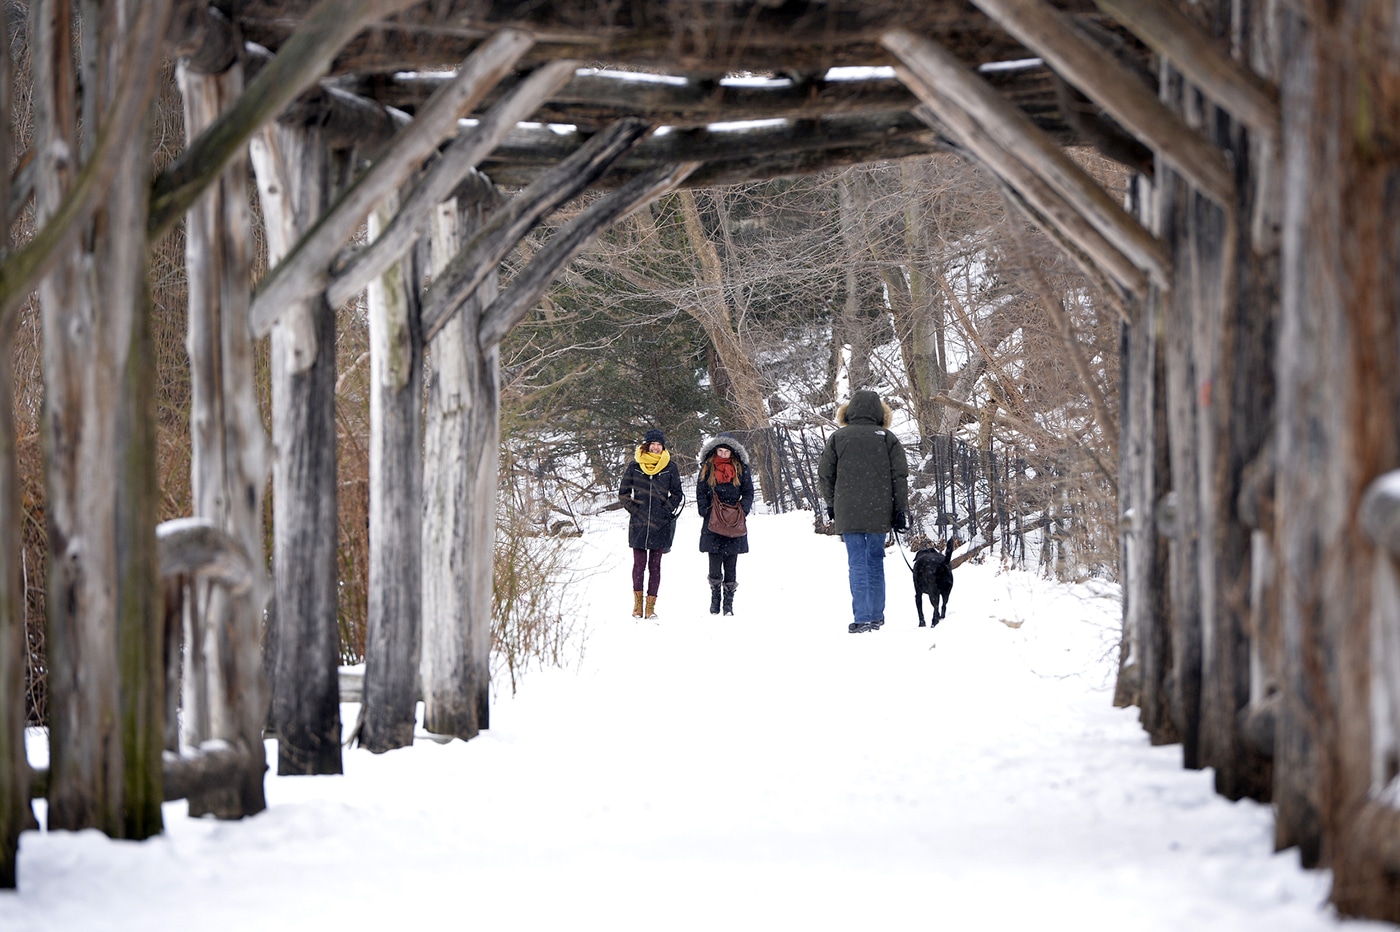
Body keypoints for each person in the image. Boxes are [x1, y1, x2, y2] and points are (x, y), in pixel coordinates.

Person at [818, 389, 910, 633]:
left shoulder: (838, 437)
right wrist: (900, 509)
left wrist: (831, 503)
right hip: (880, 509)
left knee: (856, 562)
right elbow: (899, 476)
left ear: (849, 412)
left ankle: (862, 617)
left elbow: (826, 474)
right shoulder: (887, 438)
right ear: (880, 414)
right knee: (875, 560)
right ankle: (877, 616)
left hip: (847, 509)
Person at [619, 428, 684, 618]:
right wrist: (635, 510)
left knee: (655, 567)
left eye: (659, 444)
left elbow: (678, 494)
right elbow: (623, 494)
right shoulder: (635, 466)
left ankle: (651, 607)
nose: (656, 447)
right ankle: (637, 605)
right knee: (639, 566)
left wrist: (665, 511)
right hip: (638, 525)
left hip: (660, 524)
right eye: (653, 444)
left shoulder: (669, 467)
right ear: (646, 445)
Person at [696, 433, 755, 616]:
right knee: (714, 561)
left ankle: (728, 603)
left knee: (731, 561)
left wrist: (742, 511)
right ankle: (715, 598)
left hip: (733, 520)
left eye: (726, 451)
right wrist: (705, 510)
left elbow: (748, 492)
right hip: (712, 519)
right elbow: (700, 491)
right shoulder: (708, 467)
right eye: (720, 451)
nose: (722, 454)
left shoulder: (740, 469)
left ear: (732, 452)